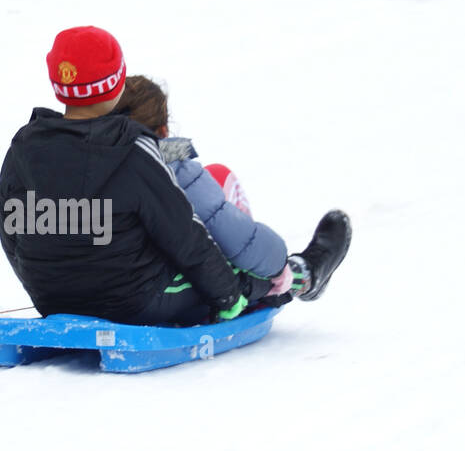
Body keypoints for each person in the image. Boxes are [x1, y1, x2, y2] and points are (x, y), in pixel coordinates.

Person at [0, 26, 348, 327]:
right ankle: (303, 275)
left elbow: (12, 233)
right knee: (245, 277)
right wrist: (227, 295)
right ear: (117, 83)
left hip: (53, 297)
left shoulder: (23, 149)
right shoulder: (132, 150)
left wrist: (42, 288)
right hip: (137, 301)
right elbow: (185, 235)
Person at [114, 75, 350, 304]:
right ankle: (302, 275)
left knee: (216, 176)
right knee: (255, 266)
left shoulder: (89, 162)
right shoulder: (176, 173)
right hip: (166, 285)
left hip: (110, 276)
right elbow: (243, 242)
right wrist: (278, 264)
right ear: (164, 131)